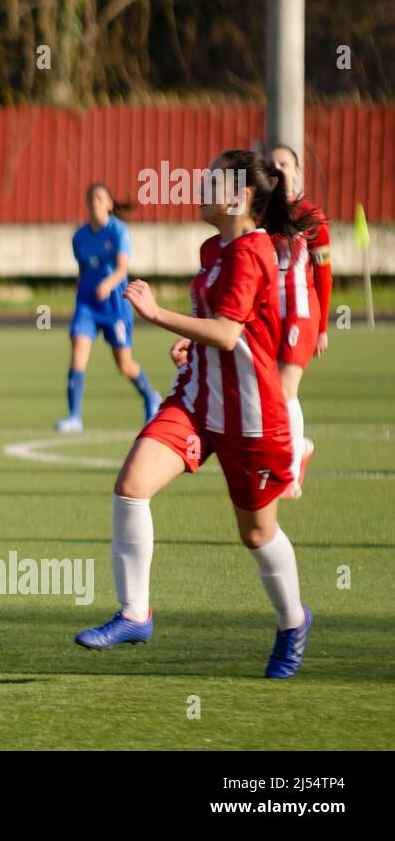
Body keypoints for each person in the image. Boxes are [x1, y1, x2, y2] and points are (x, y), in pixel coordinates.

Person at [75, 149, 315, 679]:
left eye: (212, 184)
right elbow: (221, 329)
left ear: (242, 197)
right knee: (131, 485)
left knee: (256, 534)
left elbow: (231, 334)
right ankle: (135, 612)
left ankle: (292, 622)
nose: (201, 191)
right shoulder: (214, 247)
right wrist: (190, 346)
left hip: (252, 417)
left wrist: (159, 315)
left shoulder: (252, 252)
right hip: (198, 400)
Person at [56, 183, 160, 433]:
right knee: (78, 353)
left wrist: (108, 283)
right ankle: (74, 417)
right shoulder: (79, 236)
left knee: (124, 364)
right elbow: (82, 269)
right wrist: (80, 289)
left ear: (110, 204)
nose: (95, 203)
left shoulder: (118, 232)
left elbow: (122, 269)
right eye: (91, 198)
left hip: (114, 305)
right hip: (87, 304)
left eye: (100, 198)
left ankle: (151, 396)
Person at [268, 144, 331, 497]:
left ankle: (291, 472)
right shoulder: (260, 214)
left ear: (297, 170)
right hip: (269, 317)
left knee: (285, 390)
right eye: (272, 164)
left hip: (301, 314)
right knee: (271, 393)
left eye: (284, 164)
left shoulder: (311, 216)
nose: (278, 169)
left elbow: (324, 273)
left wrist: (323, 327)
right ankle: (298, 448)